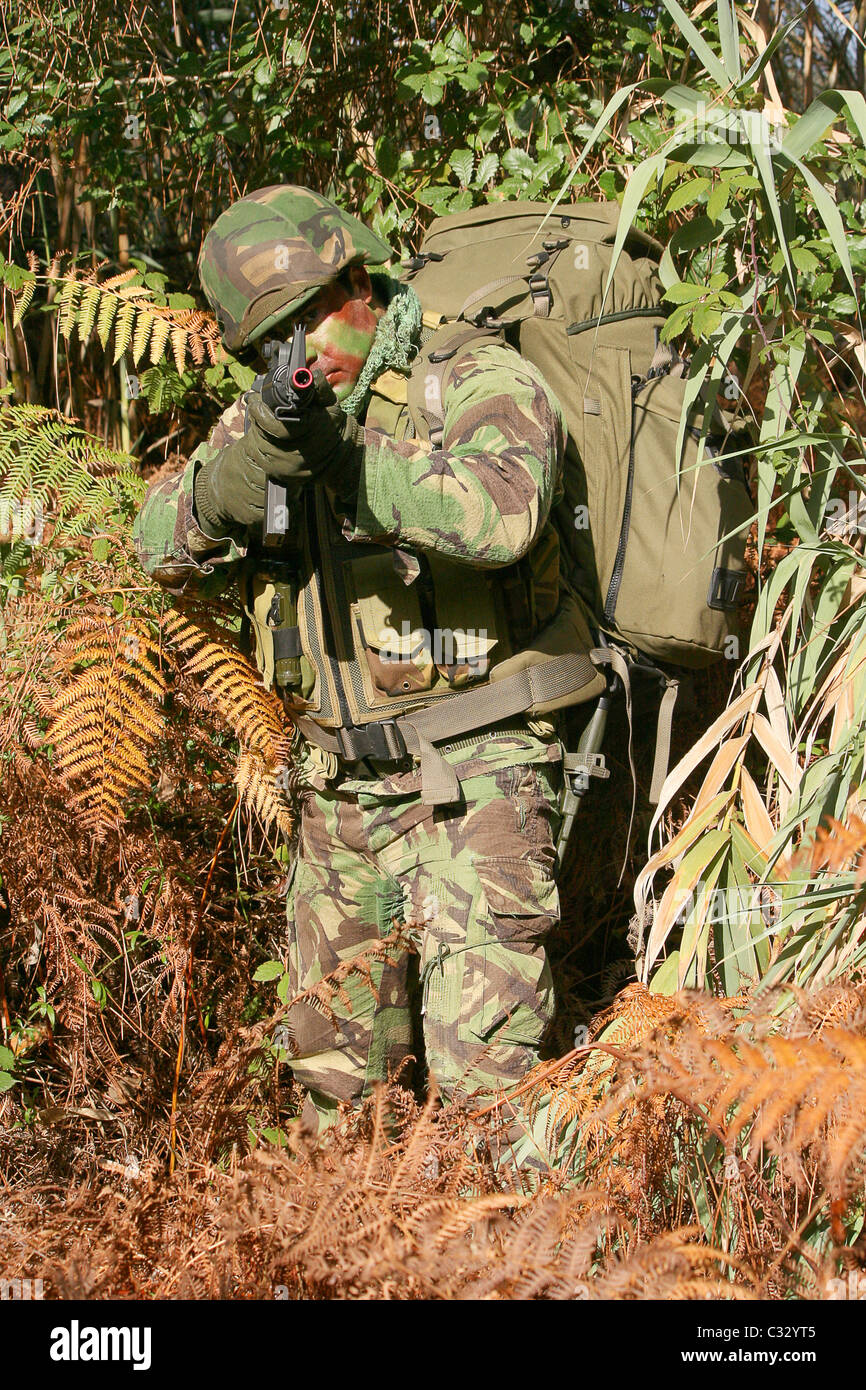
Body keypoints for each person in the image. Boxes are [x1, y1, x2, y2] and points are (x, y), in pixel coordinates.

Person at [133, 185, 604, 1160]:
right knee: (335, 1096)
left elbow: (505, 510)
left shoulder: (464, 371)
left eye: (305, 319)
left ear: (358, 283)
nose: (297, 352)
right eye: (267, 341)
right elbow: (153, 543)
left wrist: (348, 463)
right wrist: (232, 485)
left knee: (489, 1085)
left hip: (473, 770)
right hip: (334, 795)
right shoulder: (275, 418)